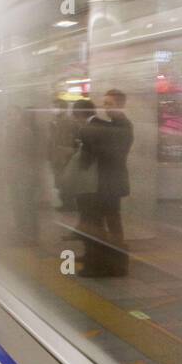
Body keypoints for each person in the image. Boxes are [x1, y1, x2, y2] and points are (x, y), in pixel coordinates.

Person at [76, 89, 134, 278]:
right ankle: (107, 260)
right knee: (109, 220)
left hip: (112, 181)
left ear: (120, 105)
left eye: (109, 104)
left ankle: (116, 263)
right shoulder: (114, 124)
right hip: (107, 180)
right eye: (105, 103)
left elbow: (110, 152)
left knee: (111, 222)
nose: (105, 107)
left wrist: (90, 136)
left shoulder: (123, 126)